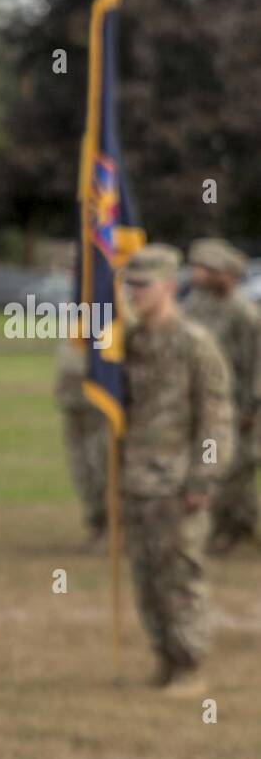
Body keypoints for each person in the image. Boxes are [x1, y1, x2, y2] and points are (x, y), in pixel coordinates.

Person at [121, 243, 234, 694]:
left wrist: (203, 478)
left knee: (180, 577)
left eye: (143, 285)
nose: (134, 293)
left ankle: (191, 666)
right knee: (147, 578)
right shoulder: (129, 343)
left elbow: (215, 419)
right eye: (130, 285)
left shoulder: (194, 344)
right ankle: (165, 658)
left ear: (169, 286)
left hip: (178, 482)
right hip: (137, 480)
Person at [181, 238, 259, 552]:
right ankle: (218, 528)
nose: (198, 275)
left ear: (226, 274)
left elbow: (256, 363)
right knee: (207, 463)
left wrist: (251, 408)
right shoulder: (196, 305)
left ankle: (238, 528)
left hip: (239, 403)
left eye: (206, 270)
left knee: (236, 468)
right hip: (203, 400)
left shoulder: (245, 314)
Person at [54, 338, 109, 542]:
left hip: (99, 399)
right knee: (80, 465)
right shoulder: (76, 312)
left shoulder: (106, 310)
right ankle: (96, 522)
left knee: (101, 463)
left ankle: (111, 526)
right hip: (71, 398)